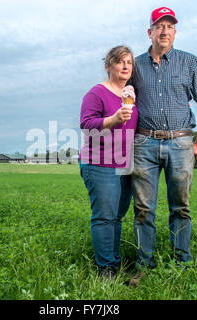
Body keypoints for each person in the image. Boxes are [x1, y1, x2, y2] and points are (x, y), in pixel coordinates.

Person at [128, 7, 197, 287]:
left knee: (181, 206)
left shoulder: (189, 62)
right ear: (149, 32)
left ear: (175, 32)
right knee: (143, 208)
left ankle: (183, 264)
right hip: (144, 142)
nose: (164, 31)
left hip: (180, 141)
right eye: (159, 26)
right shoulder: (135, 65)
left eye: (170, 27)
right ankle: (144, 266)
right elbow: (123, 98)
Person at [79, 45, 139, 280]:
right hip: (100, 163)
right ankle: (106, 271)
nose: (125, 66)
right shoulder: (96, 93)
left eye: (129, 62)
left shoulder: (131, 94)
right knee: (104, 217)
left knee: (117, 216)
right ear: (108, 66)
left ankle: (113, 262)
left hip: (125, 164)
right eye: (120, 61)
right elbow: (86, 125)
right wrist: (112, 119)